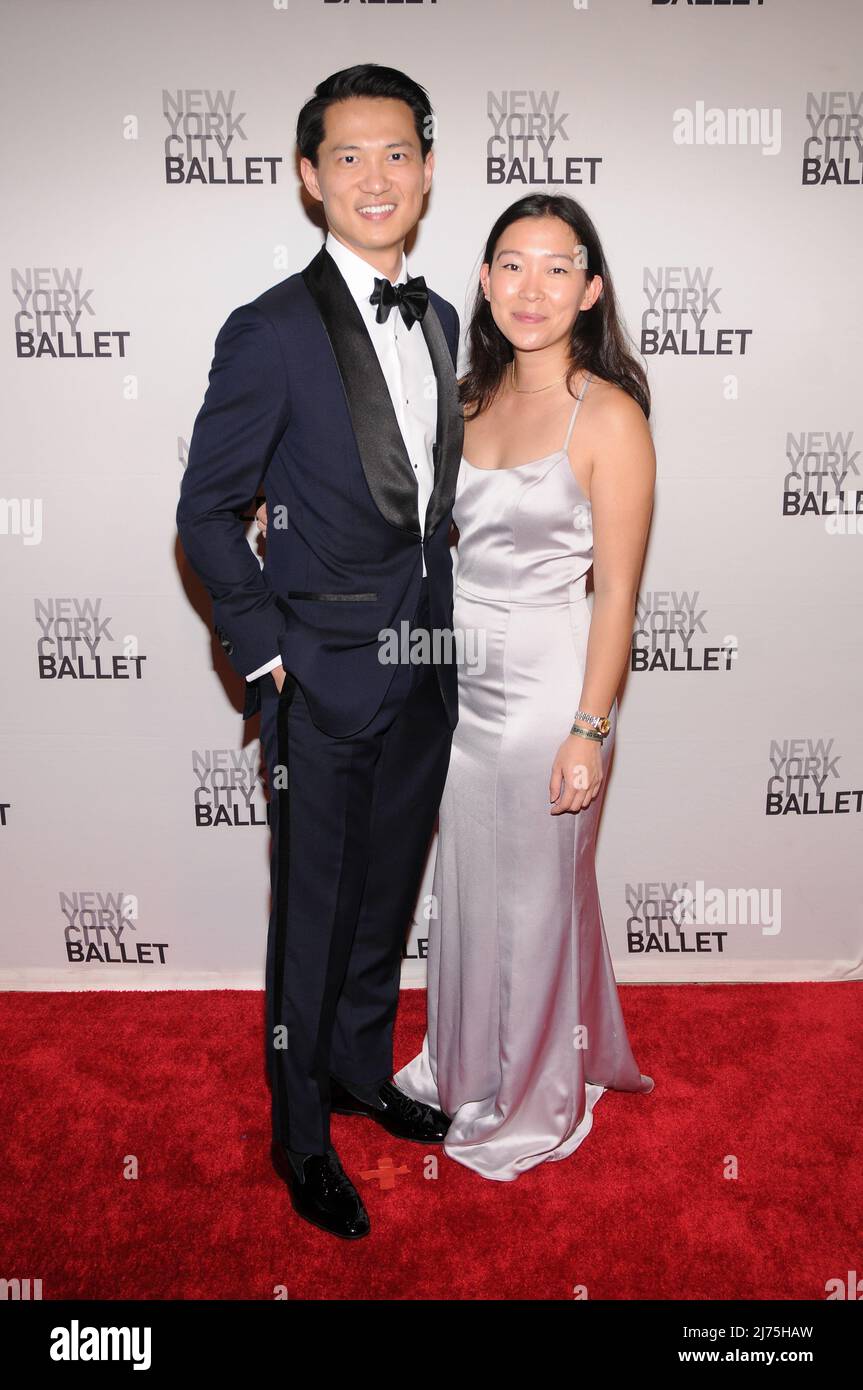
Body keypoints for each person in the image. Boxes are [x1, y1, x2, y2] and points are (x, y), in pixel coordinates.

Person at [176, 65, 464, 1240]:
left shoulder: (444, 319)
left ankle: (356, 1068)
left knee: (384, 898)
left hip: (426, 667)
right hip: (319, 678)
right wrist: (265, 653)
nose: (374, 176)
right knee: (311, 914)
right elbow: (206, 512)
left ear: (428, 167)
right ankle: (299, 1133)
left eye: (396, 152)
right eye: (346, 156)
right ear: (309, 178)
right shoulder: (269, 331)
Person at [394, 193, 657, 1180]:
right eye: (511, 263)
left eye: (557, 267)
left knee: (539, 896)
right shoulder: (462, 402)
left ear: (589, 288)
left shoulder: (610, 416)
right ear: (483, 278)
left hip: (554, 680)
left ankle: (536, 1094)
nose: (531, 287)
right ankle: (465, 1062)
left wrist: (589, 729)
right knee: (466, 887)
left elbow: (617, 596)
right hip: (457, 683)